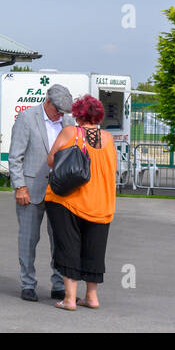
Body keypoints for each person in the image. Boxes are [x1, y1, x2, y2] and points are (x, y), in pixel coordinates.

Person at [45, 94, 116, 310]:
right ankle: (92, 297)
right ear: (98, 115)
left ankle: (69, 299)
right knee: (94, 248)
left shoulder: (71, 132)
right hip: (101, 203)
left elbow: (51, 160)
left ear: (77, 114)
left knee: (68, 246)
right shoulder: (108, 138)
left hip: (68, 200)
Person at [8, 83, 73, 302]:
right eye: (58, 111)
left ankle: (58, 284)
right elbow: (15, 157)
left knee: (60, 240)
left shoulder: (68, 121)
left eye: (64, 112)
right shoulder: (27, 119)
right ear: (47, 102)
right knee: (28, 239)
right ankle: (27, 283)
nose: (60, 115)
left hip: (60, 191)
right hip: (31, 189)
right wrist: (20, 186)